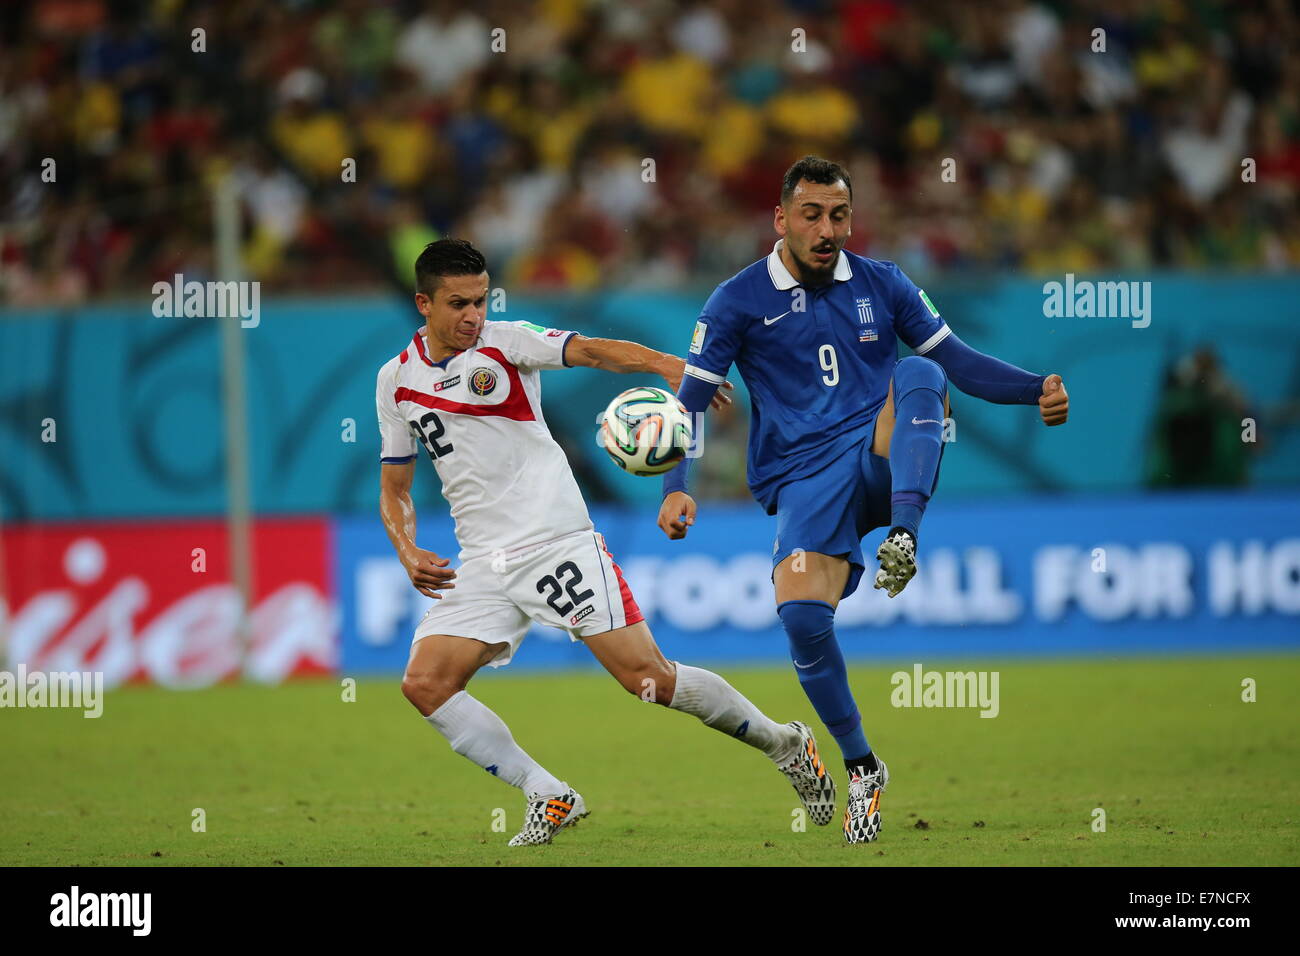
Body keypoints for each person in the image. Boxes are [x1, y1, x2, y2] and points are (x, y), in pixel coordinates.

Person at [658, 156, 1070, 843]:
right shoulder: (735, 300)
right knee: (801, 623)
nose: (827, 230)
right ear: (781, 219)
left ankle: (902, 535)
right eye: (812, 215)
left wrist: (1037, 387)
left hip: (882, 455)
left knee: (921, 371)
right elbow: (690, 403)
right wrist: (676, 490)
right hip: (802, 479)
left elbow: (961, 363)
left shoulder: (884, 283)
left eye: (839, 215)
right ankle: (863, 767)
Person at [379, 238, 836, 846]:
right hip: (483, 561)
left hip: (555, 542)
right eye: (458, 304)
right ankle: (549, 794)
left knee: (650, 679)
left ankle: (784, 742)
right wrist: (406, 549)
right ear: (423, 304)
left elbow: (591, 350)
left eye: (481, 301)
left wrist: (666, 365)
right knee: (426, 684)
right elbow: (396, 488)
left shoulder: (506, 343)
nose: (473, 316)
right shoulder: (395, 381)